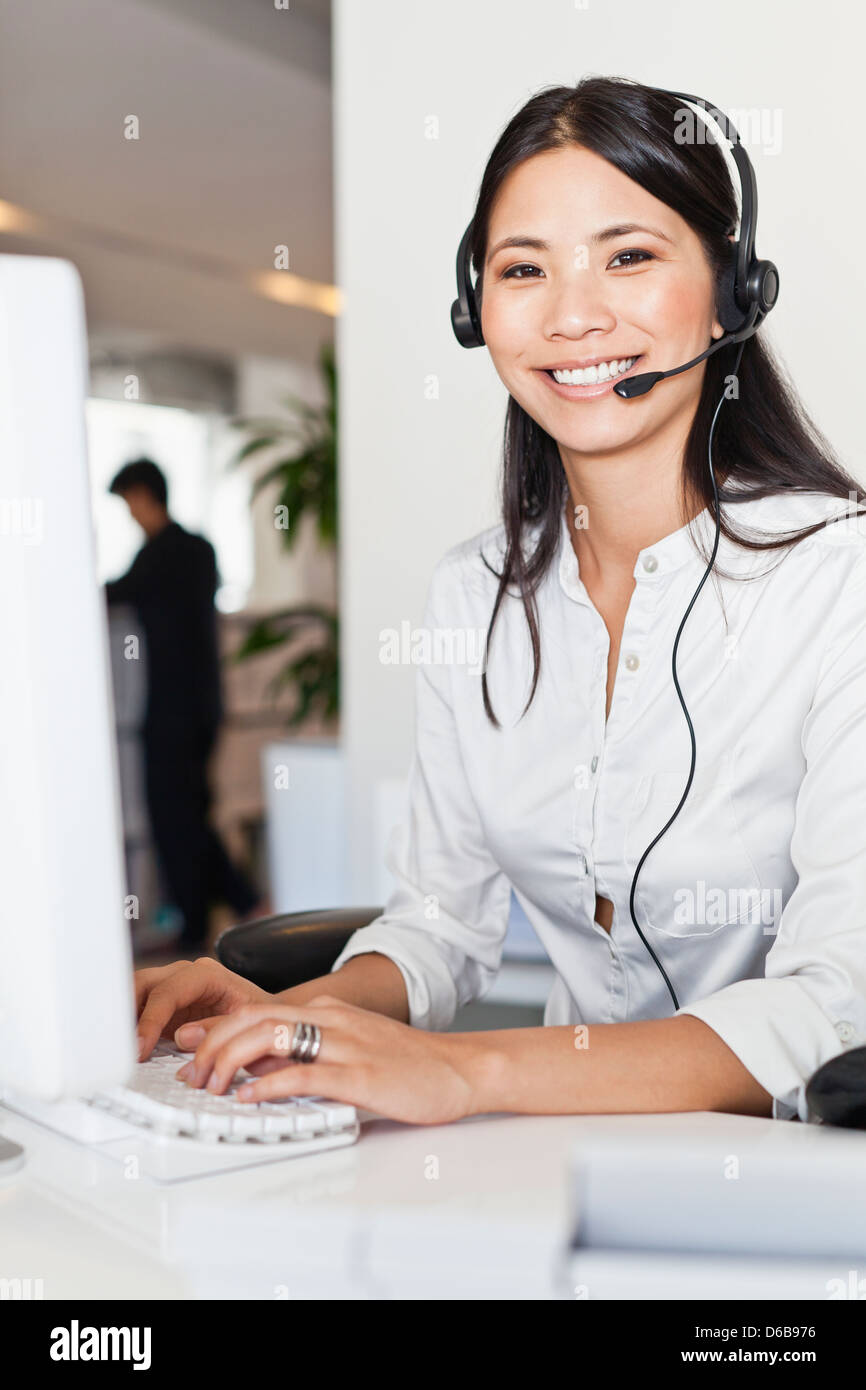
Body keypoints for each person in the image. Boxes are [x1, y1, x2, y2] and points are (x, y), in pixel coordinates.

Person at [134, 77, 866, 1127]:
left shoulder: (837, 580)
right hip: (553, 1159)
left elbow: (834, 1003)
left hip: (793, 1182)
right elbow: (440, 925)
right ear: (475, 309)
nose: (572, 315)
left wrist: (467, 1073)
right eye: (522, 269)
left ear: (728, 290)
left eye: (628, 255)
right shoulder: (471, 594)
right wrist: (291, 1011)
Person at [105, 456, 263, 951]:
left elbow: (112, 594)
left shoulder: (158, 554)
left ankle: (210, 921)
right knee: (192, 813)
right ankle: (241, 910)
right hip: (205, 707)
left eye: (129, 501)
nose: (129, 513)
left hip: (170, 712)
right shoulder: (200, 550)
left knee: (175, 817)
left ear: (143, 496)